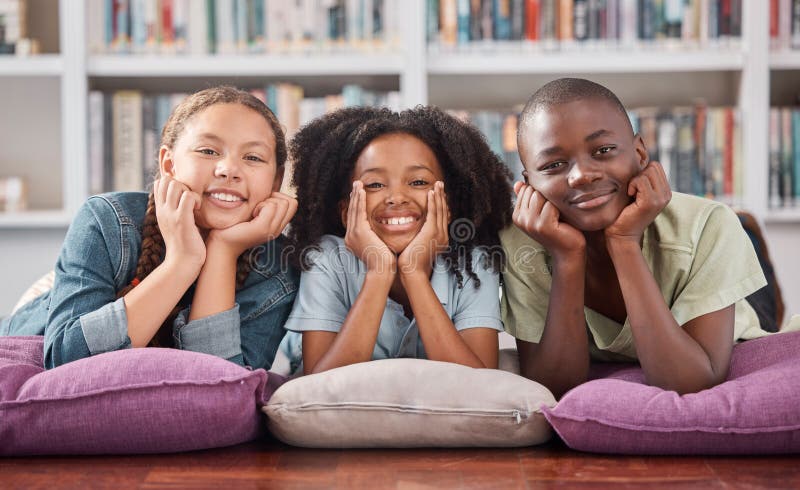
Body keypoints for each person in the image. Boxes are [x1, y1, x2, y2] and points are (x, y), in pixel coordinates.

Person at [502, 77, 799, 397]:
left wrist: (624, 241)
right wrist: (567, 258)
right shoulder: (521, 244)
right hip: (678, 261)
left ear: (640, 153)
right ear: (528, 183)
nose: (581, 175)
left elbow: (691, 382)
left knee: (737, 250)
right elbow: (556, 386)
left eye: (603, 150)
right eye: (554, 164)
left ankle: (746, 236)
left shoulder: (710, 225)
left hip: (726, 304)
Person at [1, 86, 298, 370]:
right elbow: (67, 361)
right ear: (169, 165)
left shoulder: (276, 267)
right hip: (39, 314)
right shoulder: (108, 219)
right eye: (208, 151)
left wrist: (223, 251)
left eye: (253, 157)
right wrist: (182, 263)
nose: (228, 169)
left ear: (275, 181)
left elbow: (220, 386)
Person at [278, 106, 513, 375]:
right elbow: (318, 384)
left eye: (418, 182)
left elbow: (481, 384)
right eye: (375, 185)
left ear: (447, 204)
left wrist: (414, 274)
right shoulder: (326, 258)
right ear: (346, 211)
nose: (397, 197)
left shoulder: (473, 262)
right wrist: (380, 272)